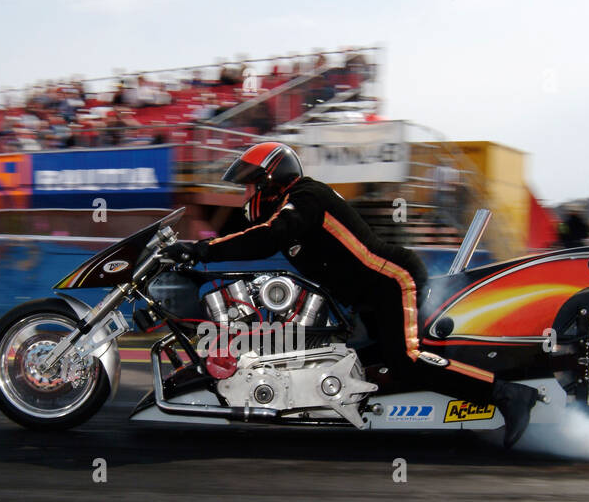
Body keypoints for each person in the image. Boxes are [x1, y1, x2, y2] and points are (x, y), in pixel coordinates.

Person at [164, 142, 540, 447]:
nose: (246, 195)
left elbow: (269, 237)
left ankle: (507, 394)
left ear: (272, 182)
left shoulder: (306, 198)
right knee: (366, 360)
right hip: (368, 294)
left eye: (249, 186)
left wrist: (202, 250)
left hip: (393, 280)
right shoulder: (295, 206)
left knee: (404, 358)